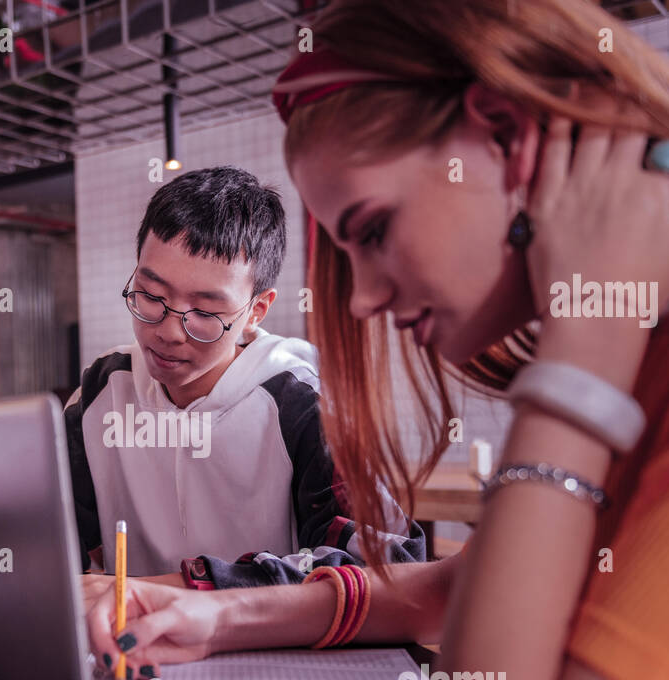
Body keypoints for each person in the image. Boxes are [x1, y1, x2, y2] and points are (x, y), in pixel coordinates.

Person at [83, 0, 669, 680]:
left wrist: (578, 364)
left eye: (375, 230)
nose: (361, 299)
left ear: (503, 136)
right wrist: (218, 616)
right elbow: (462, 586)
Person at [67, 165, 423, 600]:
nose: (169, 331)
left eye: (205, 311)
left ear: (256, 311)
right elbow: (45, 540)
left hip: (276, 658)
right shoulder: (101, 393)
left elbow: (388, 563)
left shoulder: (303, 402)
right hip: (144, 653)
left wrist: (174, 590)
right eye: (150, 295)